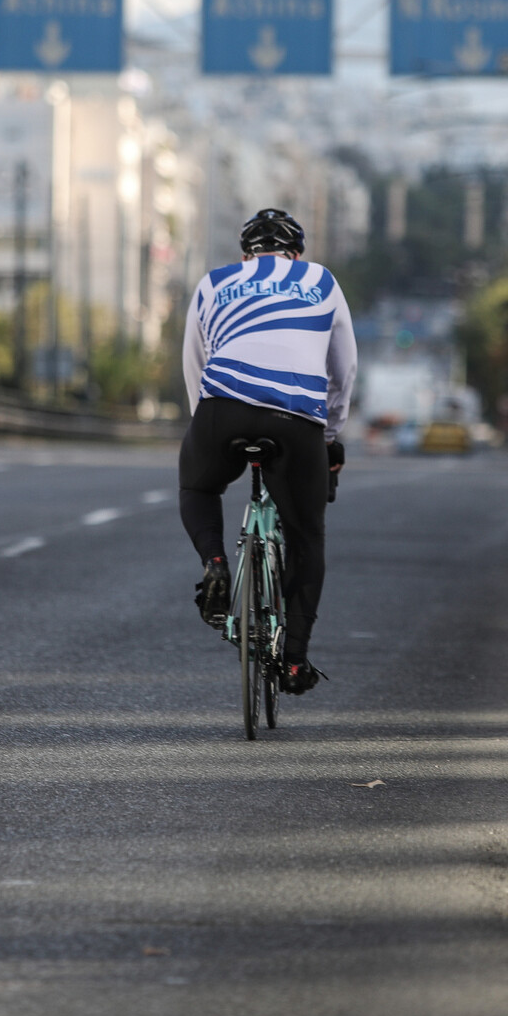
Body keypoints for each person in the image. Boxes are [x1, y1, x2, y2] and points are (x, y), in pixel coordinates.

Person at [178, 209, 356, 695]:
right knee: (306, 536)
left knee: (198, 486)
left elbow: (195, 363)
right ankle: (295, 660)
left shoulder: (215, 282)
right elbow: (343, 371)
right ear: (297, 255)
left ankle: (214, 563)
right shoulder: (320, 281)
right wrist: (329, 435)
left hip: (221, 408)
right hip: (297, 418)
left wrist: (205, 426)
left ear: (245, 256)